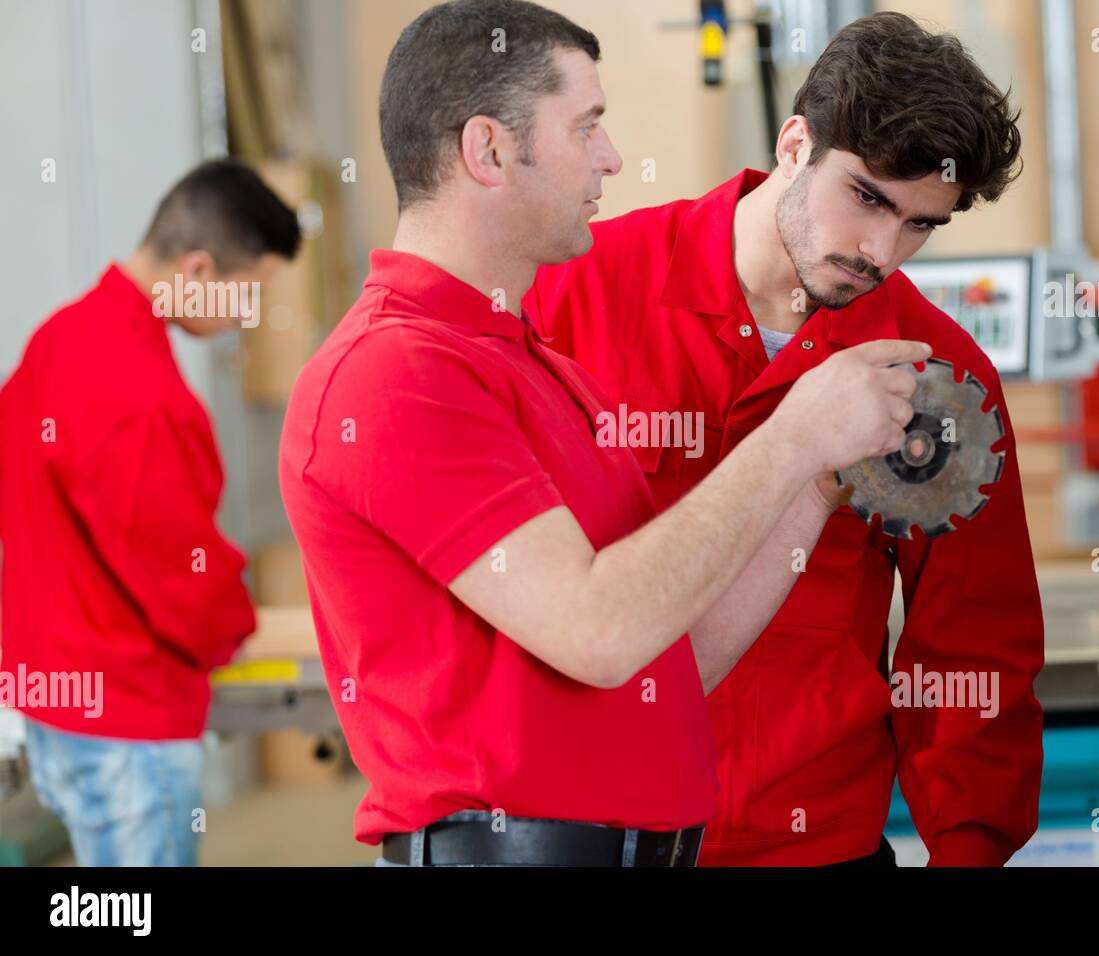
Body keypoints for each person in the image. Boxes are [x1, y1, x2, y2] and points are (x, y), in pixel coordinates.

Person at [278, 0, 929, 868]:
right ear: (490, 150)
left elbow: (670, 656)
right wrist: (795, 436)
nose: (613, 158)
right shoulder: (396, 374)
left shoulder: (538, 366)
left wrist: (817, 480)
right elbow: (598, 631)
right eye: (587, 127)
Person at [525, 11, 1045, 866]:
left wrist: (969, 850)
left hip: (814, 845)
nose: (882, 249)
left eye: (921, 224)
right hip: (594, 831)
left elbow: (973, 646)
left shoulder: (940, 376)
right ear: (795, 142)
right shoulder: (571, 299)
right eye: (868, 198)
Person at [0, 159, 301, 865]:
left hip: (55, 702)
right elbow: (179, 577)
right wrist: (235, 624)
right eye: (247, 295)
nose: (247, 320)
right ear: (195, 270)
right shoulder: (140, 392)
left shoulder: (61, 336)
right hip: (126, 723)